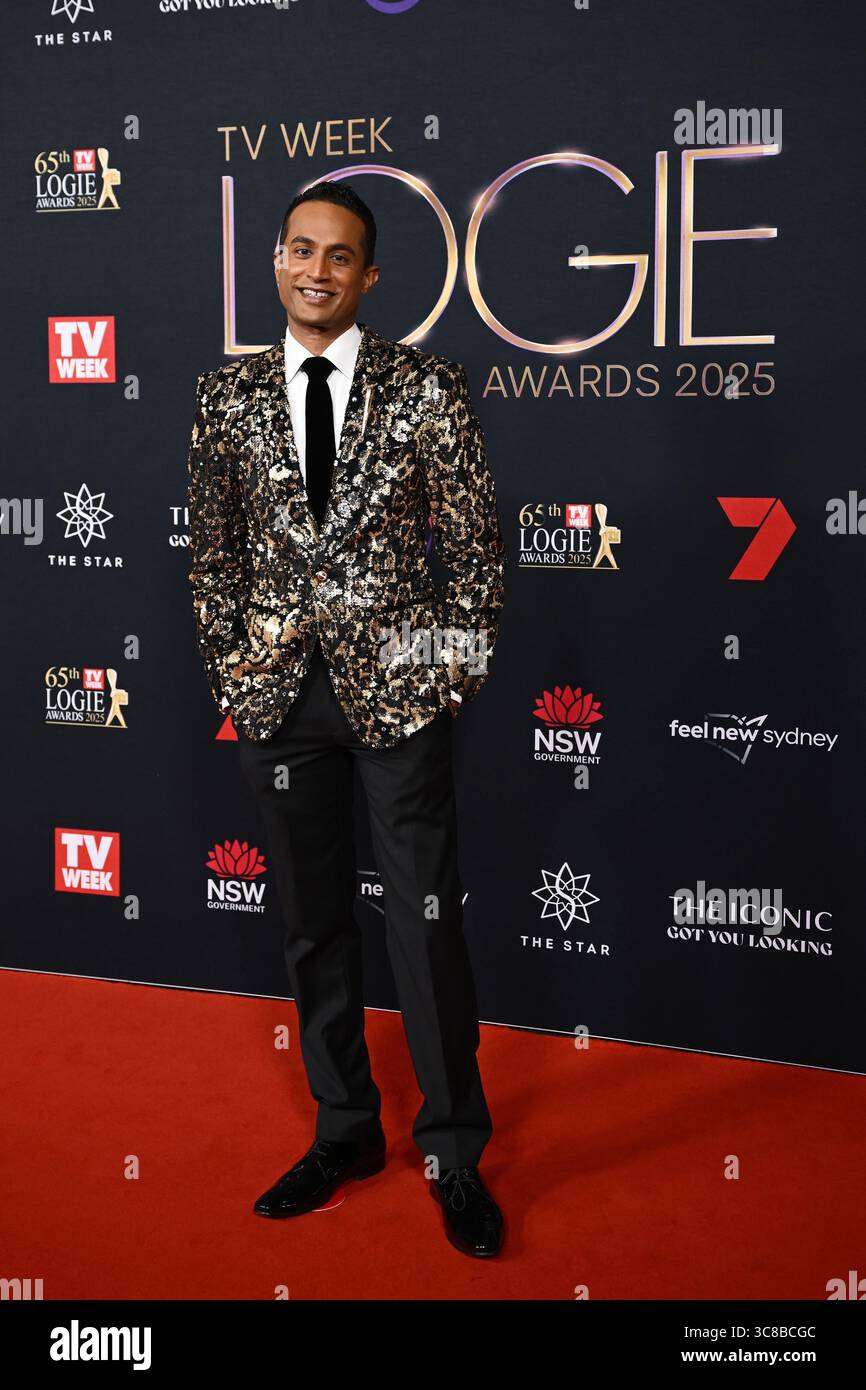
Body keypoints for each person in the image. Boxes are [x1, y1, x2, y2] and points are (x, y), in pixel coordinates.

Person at [186, 180, 506, 1258]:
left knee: (422, 922)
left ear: (369, 277)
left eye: (340, 256)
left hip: (400, 695)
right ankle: (345, 1128)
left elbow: (472, 557)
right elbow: (213, 559)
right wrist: (236, 670)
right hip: (279, 697)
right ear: (274, 261)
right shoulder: (222, 398)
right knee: (313, 919)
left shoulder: (429, 387)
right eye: (300, 249)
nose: (316, 270)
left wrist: (446, 678)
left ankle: (454, 1150)